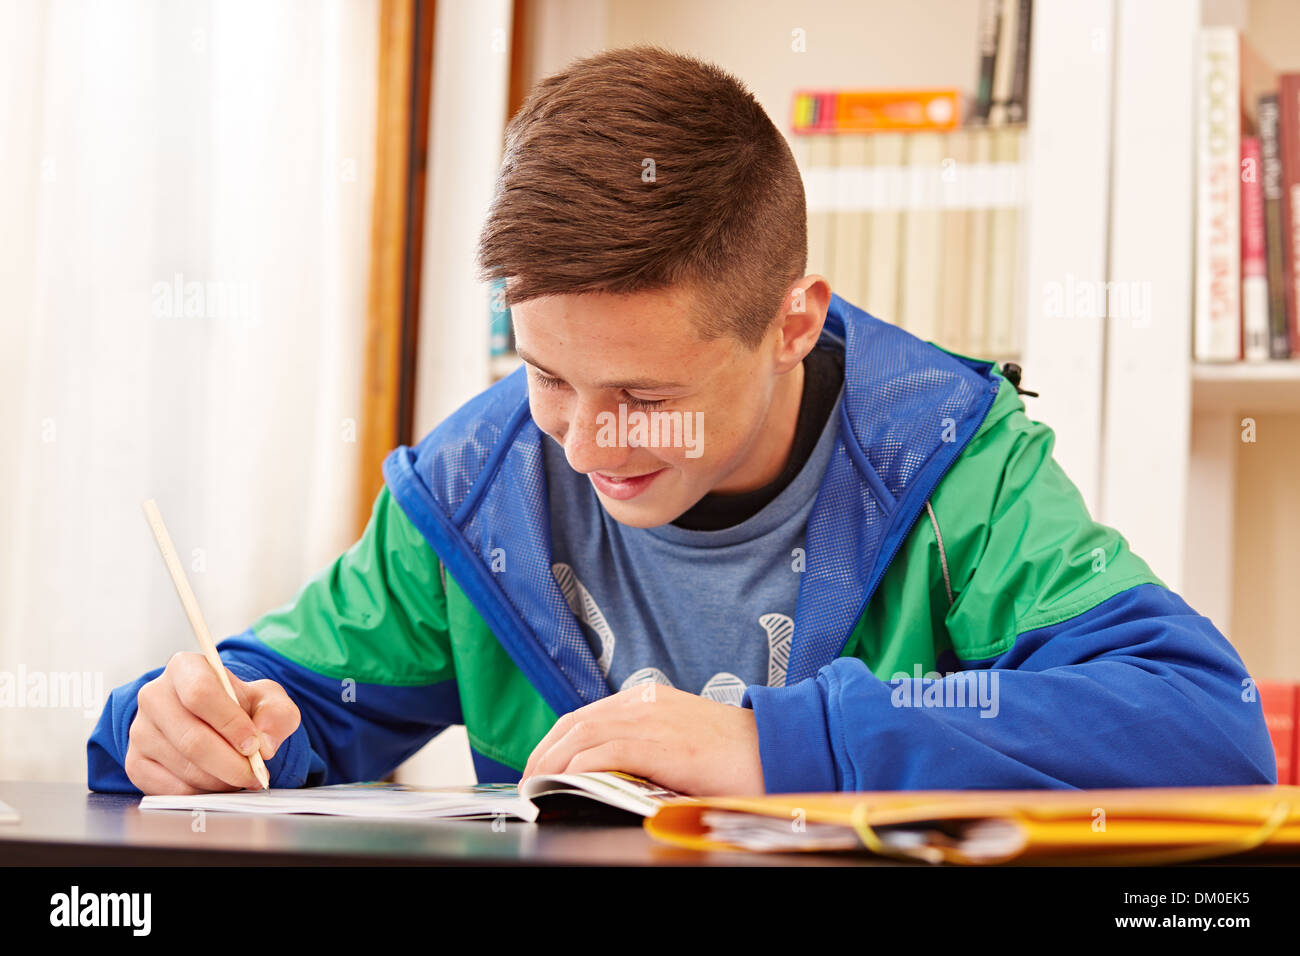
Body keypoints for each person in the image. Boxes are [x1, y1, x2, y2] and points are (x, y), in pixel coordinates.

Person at [88, 45, 1276, 797]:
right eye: (547, 374)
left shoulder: (949, 460)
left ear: (793, 322)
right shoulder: (476, 480)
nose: (589, 445)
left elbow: (1200, 721)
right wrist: (180, 723)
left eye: (647, 399)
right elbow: (277, 701)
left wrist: (777, 742)